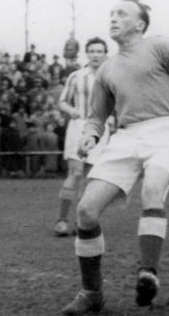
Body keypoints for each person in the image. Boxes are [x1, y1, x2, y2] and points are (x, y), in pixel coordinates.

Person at [60, 0, 169, 314]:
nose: (113, 17)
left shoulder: (160, 47)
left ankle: (148, 273)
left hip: (165, 131)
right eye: (111, 12)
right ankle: (91, 293)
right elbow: (97, 115)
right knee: (86, 210)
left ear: (139, 24)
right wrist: (89, 134)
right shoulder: (107, 69)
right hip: (126, 137)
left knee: (153, 188)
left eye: (122, 13)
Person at [53, 37, 110, 236]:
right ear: (87, 54)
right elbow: (62, 102)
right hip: (79, 126)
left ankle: (82, 221)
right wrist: (72, 111)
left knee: (92, 178)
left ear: (105, 54)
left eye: (99, 51)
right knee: (75, 173)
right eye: (92, 51)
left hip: (100, 130)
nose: (95, 55)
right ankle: (61, 220)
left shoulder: (111, 77)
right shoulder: (76, 76)